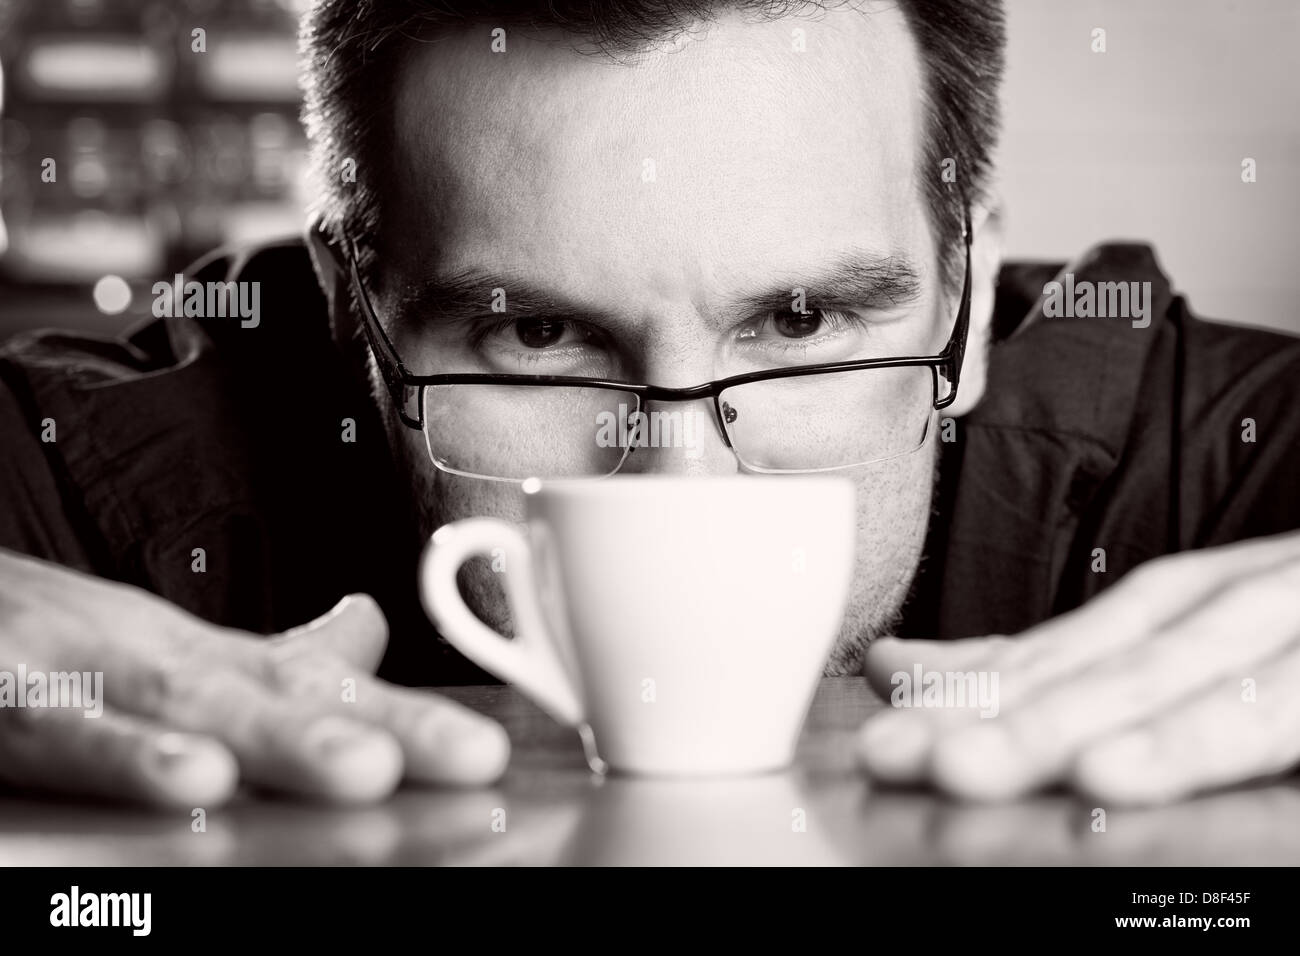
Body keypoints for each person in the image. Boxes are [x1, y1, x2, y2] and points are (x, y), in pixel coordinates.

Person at [2, 0, 1298, 810]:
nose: (684, 490)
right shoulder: (107, 477)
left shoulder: (1191, 458)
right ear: (361, 321)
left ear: (961, 307)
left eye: (798, 323)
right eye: (539, 332)